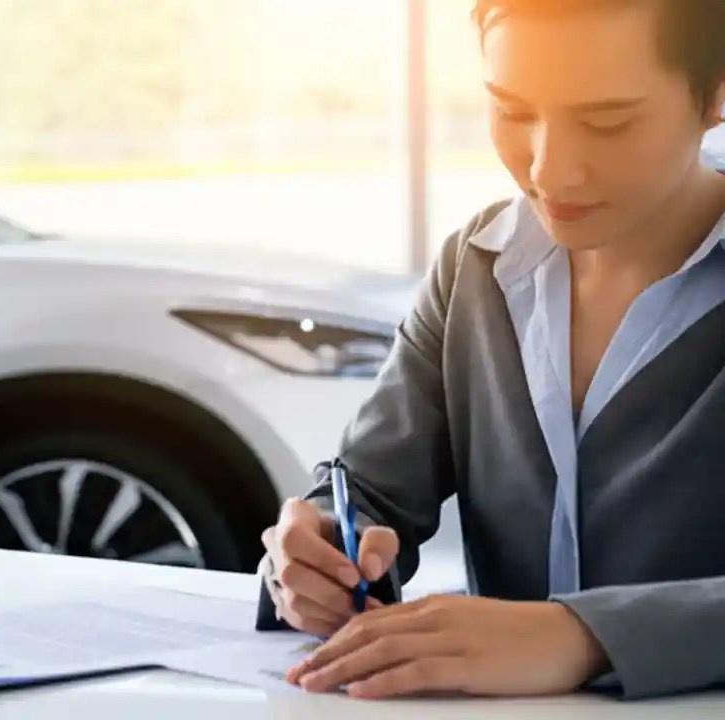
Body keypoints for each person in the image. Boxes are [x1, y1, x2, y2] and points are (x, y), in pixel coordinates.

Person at [258, 0, 725, 701]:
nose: (549, 170)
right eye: (512, 111)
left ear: (716, 93)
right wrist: (319, 549)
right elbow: (373, 490)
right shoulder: (474, 266)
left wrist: (585, 636)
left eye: (608, 123)